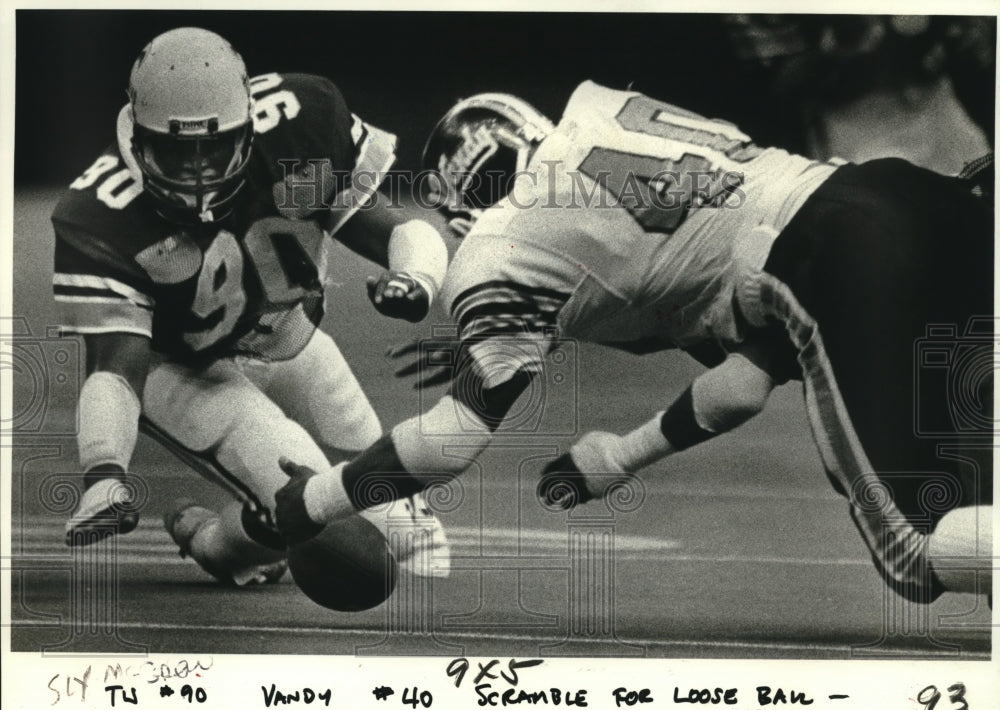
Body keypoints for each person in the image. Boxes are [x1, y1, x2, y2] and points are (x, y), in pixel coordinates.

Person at [275, 81, 993, 605]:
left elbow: (446, 443)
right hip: (913, 199)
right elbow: (746, 379)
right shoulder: (603, 110)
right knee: (979, 482)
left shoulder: (498, 250)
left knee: (914, 553)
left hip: (835, 261)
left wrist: (311, 502)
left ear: (464, 208)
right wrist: (620, 455)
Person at [54, 27, 451, 585]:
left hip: (284, 339)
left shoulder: (298, 129)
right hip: (182, 370)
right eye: (177, 151)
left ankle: (217, 540)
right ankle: (219, 541)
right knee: (314, 504)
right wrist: (103, 474)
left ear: (246, 128)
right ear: (139, 139)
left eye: (214, 147)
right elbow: (115, 370)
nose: (199, 171)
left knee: (408, 532)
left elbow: (393, 228)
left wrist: (415, 277)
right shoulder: (100, 213)